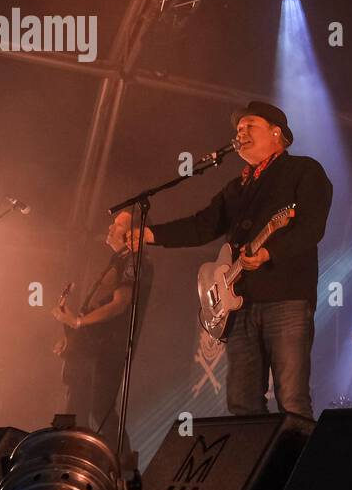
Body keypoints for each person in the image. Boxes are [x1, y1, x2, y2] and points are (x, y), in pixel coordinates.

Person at [128, 102, 332, 420]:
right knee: (241, 401)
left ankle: (298, 468)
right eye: (238, 129)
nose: (240, 132)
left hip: (287, 299)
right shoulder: (237, 187)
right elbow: (202, 225)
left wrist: (269, 253)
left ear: (277, 132)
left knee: (292, 399)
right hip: (239, 305)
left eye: (250, 125)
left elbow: (311, 227)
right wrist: (149, 234)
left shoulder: (305, 171)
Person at [53, 210, 152, 458]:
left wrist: (77, 322)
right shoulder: (116, 260)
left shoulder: (135, 262)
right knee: (80, 405)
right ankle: (79, 460)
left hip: (109, 349)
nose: (110, 228)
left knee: (100, 408)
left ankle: (123, 469)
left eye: (118, 224)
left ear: (132, 234)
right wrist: (75, 333)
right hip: (93, 347)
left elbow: (120, 304)